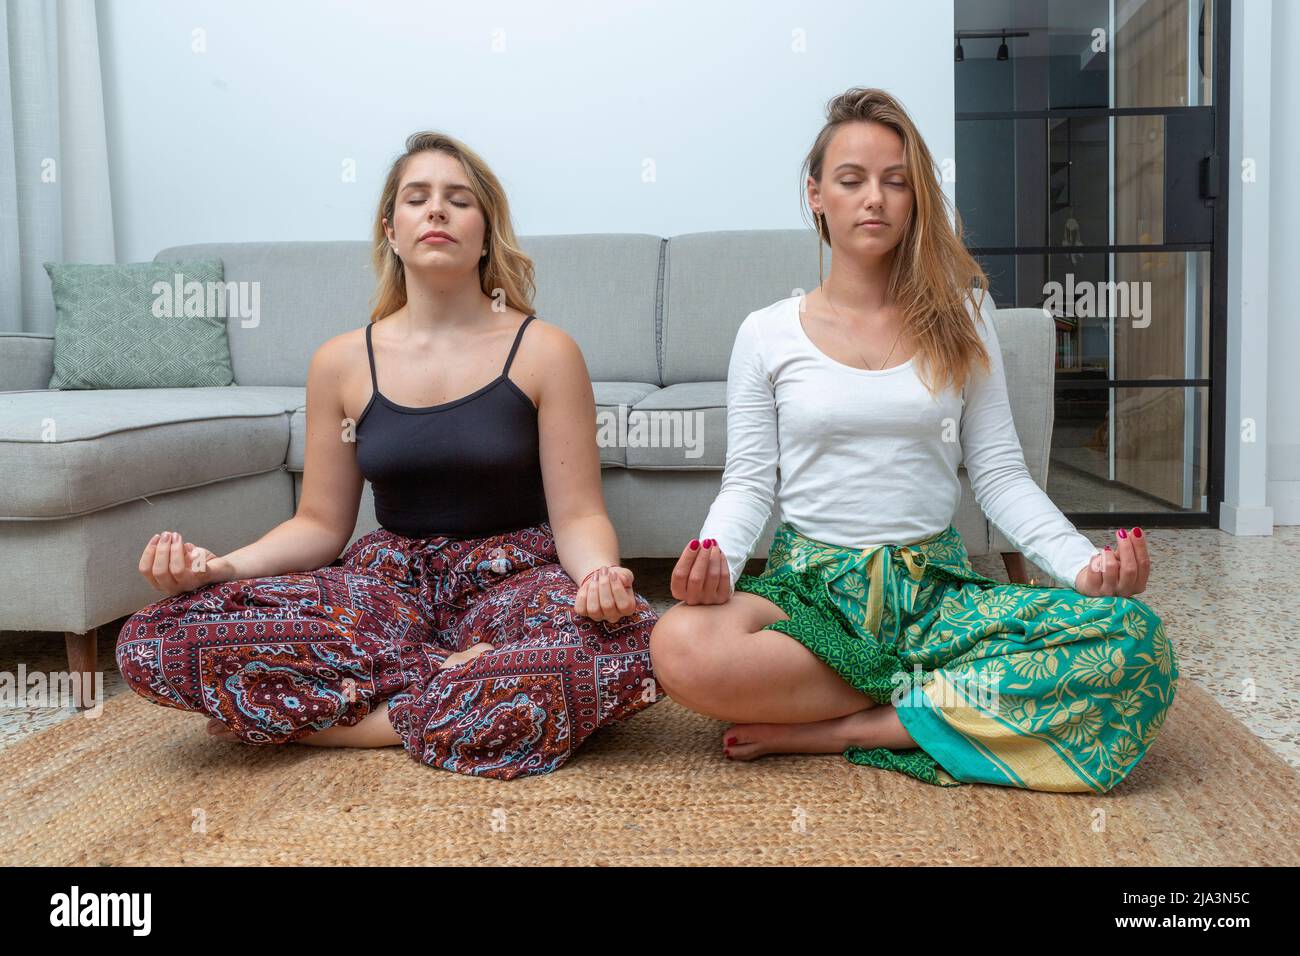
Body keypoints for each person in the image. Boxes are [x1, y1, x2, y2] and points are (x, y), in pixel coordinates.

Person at [649, 88, 1177, 793]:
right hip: (813, 594)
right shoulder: (766, 332)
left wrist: (1083, 568)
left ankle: (853, 727)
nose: (875, 199)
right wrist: (713, 560)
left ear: (915, 196)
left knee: (1134, 641)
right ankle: (945, 699)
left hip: (937, 598)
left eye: (896, 182)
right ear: (816, 195)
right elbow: (749, 484)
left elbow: (1000, 476)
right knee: (679, 644)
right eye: (852, 180)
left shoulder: (963, 315)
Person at [116, 132, 659, 780]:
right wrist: (221, 567)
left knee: (633, 646)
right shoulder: (341, 362)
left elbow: (578, 518)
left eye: (458, 200)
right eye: (417, 199)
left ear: (485, 234)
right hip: (389, 583)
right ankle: (451, 681)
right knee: (152, 637)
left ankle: (347, 721)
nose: (436, 211)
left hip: (515, 578)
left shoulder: (546, 351)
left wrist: (600, 576)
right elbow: (318, 524)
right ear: (391, 230)